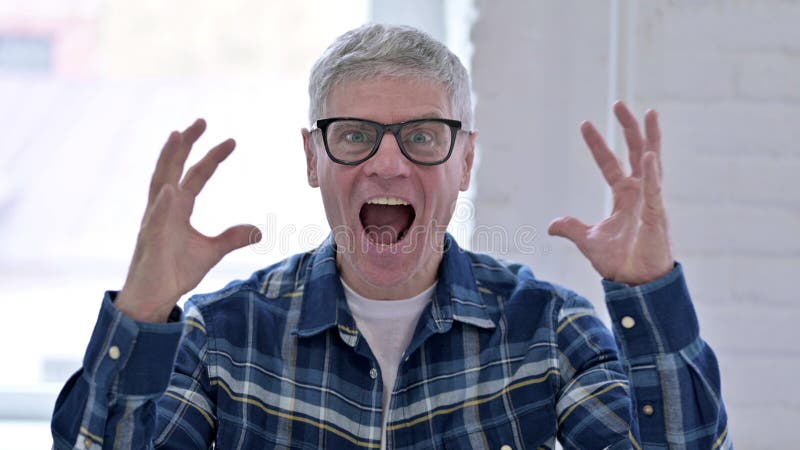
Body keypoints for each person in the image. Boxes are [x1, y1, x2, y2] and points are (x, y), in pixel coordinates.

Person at [51, 23, 731, 449]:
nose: (386, 161)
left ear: (465, 160)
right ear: (312, 158)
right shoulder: (220, 336)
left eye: (423, 136)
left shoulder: (548, 332)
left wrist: (650, 297)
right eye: (353, 135)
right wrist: (139, 314)